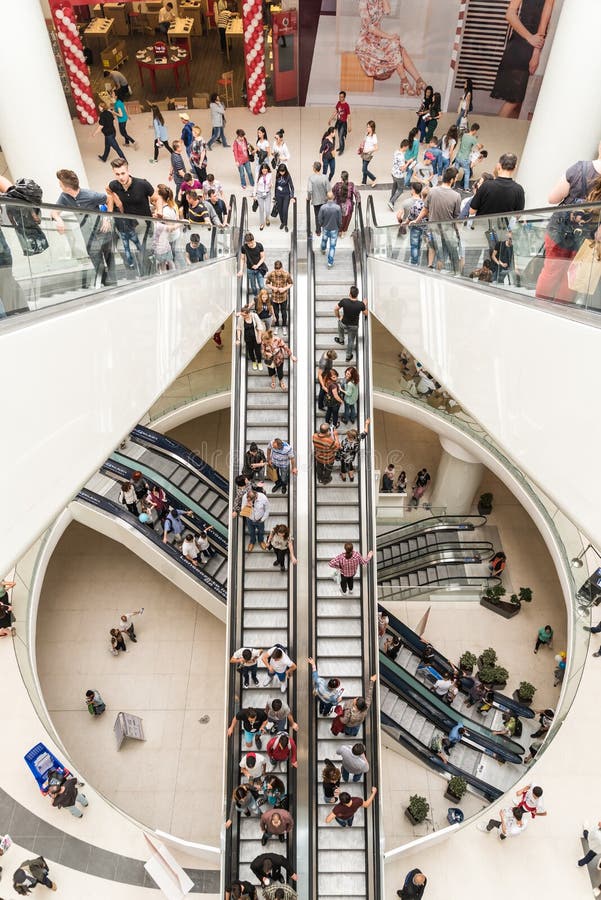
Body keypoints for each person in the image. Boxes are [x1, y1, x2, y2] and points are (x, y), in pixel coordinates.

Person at [491, 0, 555, 118]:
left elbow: (546, 16)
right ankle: (492, 131)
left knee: (520, 100)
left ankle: (498, 131)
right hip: (522, 42)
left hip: (535, 43)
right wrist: (530, 38)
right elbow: (510, 14)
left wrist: (536, 50)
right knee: (515, 99)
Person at [54, 168, 115, 287]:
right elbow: (54, 212)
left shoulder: (90, 195)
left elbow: (109, 199)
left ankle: (114, 284)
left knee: (109, 258)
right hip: (87, 234)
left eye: (60, 184)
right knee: (96, 261)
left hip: (103, 231)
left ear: (67, 187)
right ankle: (104, 285)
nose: (59, 185)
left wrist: (107, 219)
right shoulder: (64, 197)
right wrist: (58, 219)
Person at [355, 0, 424, 94]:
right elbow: (370, 28)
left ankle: (415, 80)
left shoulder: (378, 1)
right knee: (394, 45)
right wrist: (389, 37)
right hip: (366, 43)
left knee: (397, 46)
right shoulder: (363, 3)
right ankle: (408, 81)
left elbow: (387, 11)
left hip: (377, 40)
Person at [414, 167, 461, 271]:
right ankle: (454, 274)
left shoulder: (432, 191)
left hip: (433, 230)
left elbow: (425, 210)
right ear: (452, 180)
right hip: (448, 231)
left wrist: (416, 220)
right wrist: (457, 232)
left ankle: (437, 274)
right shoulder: (456, 196)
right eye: (456, 178)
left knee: (439, 256)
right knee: (449, 255)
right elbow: (456, 217)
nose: (456, 180)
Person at [334, 286, 368, 362]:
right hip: (354, 326)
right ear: (357, 294)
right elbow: (366, 313)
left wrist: (339, 316)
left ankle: (341, 340)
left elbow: (336, 308)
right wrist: (364, 305)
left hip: (344, 323)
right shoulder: (360, 304)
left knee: (339, 323)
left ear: (350, 294)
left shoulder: (344, 301)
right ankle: (348, 356)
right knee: (351, 341)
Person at [398, 181, 426, 265]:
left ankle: (414, 262)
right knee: (419, 244)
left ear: (413, 190)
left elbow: (399, 215)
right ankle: (417, 259)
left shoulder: (406, 202)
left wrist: (401, 222)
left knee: (414, 245)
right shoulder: (424, 202)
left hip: (413, 226)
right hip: (424, 226)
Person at [266, 260, 293, 335]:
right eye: (276, 271)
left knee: (284, 313)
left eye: (279, 271)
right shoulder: (271, 274)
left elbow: (291, 283)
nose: (278, 273)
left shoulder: (286, 274)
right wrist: (272, 287)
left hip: (283, 297)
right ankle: (277, 326)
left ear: (282, 268)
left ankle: (284, 326)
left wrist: (284, 289)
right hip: (274, 297)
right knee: (276, 313)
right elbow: (267, 283)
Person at [318, 191, 342, 269]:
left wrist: (322, 224)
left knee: (324, 240)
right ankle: (330, 263)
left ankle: (323, 249)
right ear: (333, 197)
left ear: (326, 197)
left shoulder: (323, 207)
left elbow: (319, 218)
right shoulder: (337, 207)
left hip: (325, 228)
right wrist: (339, 226)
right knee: (332, 247)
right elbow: (339, 220)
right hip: (334, 229)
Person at [453, 123, 480, 191]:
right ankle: (466, 188)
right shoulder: (473, 138)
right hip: (465, 158)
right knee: (467, 173)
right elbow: (479, 147)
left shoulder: (464, 135)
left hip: (458, 156)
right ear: (475, 130)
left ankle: (452, 185)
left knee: (455, 172)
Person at [238, 232, 266, 297]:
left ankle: (263, 300)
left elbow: (263, 257)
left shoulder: (259, 245)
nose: (249, 245)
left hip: (259, 269)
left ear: (253, 240)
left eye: (250, 243)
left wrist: (257, 265)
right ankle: (256, 299)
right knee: (253, 286)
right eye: (247, 243)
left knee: (261, 286)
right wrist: (241, 270)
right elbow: (242, 259)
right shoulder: (244, 247)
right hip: (250, 270)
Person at [332, 170, 359, 237]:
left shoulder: (337, 185)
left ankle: (339, 231)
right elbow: (357, 194)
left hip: (339, 205)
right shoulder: (351, 185)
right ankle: (343, 232)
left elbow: (333, 192)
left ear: (341, 177)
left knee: (339, 219)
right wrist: (358, 202)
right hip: (349, 206)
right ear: (348, 177)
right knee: (347, 219)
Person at [307, 161, 330, 235]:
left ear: (314, 169)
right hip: (324, 200)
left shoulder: (311, 178)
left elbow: (309, 190)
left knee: (317, 216)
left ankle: (318, 231)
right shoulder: (325, 177)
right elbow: (329, 189)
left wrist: (309, 198)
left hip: (316, 201)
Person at [274, 163, 295, 232]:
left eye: (283, 171)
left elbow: (292, 187)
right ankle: (282, 222)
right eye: (280, 171)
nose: (282, 173)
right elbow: (276, 186)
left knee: (285, 210)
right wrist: (275, 196)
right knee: (280, 210)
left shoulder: (288, 176)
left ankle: (285, 224)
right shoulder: (277, 175)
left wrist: (292, 196)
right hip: (278, 195)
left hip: (286, 195)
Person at [254, 162, 273, 231]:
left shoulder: (270, 175)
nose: (264, 172)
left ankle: (267, 218)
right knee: (261, 210)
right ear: (261, 170)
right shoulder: (257, 175)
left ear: (267, 170)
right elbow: (255, 185)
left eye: (266, 170)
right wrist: (254, 195)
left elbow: (271, 182)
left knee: (267, 209)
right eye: (263, 170)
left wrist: (271, 185)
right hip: (260, 194)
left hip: (267, 193)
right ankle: (262, 223)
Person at [359, 120, 378, 187]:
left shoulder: (374, 136)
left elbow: (376, 148)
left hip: (368, 155)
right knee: (365, 168)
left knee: (364, 169)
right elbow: (364, 142)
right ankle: (364, 181)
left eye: (369, 127)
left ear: (372, 128)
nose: (368, 128)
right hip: (364, 153)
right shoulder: (367, 134)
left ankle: (374, 179)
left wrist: (368, 151)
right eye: (367, 127)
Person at [332, 90, 352, 155]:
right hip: (338, 122)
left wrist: (349, 126)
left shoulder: (346, 105)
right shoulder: (338, 103)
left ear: (344, 97)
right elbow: (336, 111)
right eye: (339, 97)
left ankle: (342, 149)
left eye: (342, 97)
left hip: (343, 123)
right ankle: (340, 147)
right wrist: (330, 119)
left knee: (341, 136)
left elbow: (349, 116)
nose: (340, 98)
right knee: (338, 135)